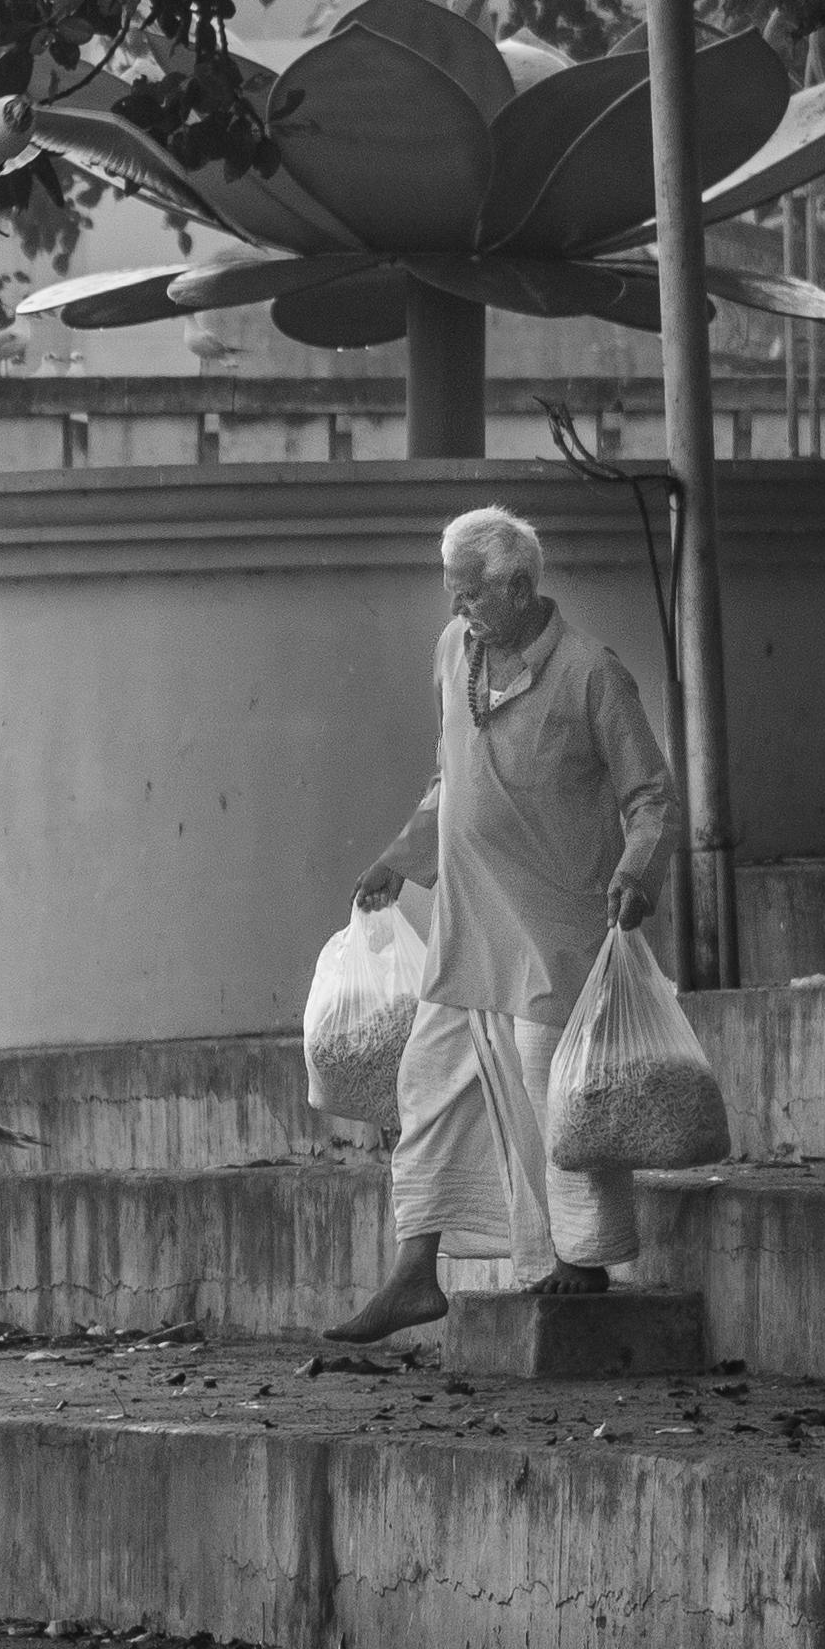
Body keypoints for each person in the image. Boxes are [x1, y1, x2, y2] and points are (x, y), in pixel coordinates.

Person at [317, 505, 676, 1348]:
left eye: (470, 593)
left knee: (557, 1097)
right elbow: (450, 774)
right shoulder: (455, 651)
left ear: (518, 586)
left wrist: (636, 873)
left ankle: (583, 1258)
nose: (456, 608)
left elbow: (651, 795)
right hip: (466, 923)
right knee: (426, 1085)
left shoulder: (591, 672)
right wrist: (400, 856)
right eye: (451, 592)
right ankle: (414, 1273)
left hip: (555, 929)